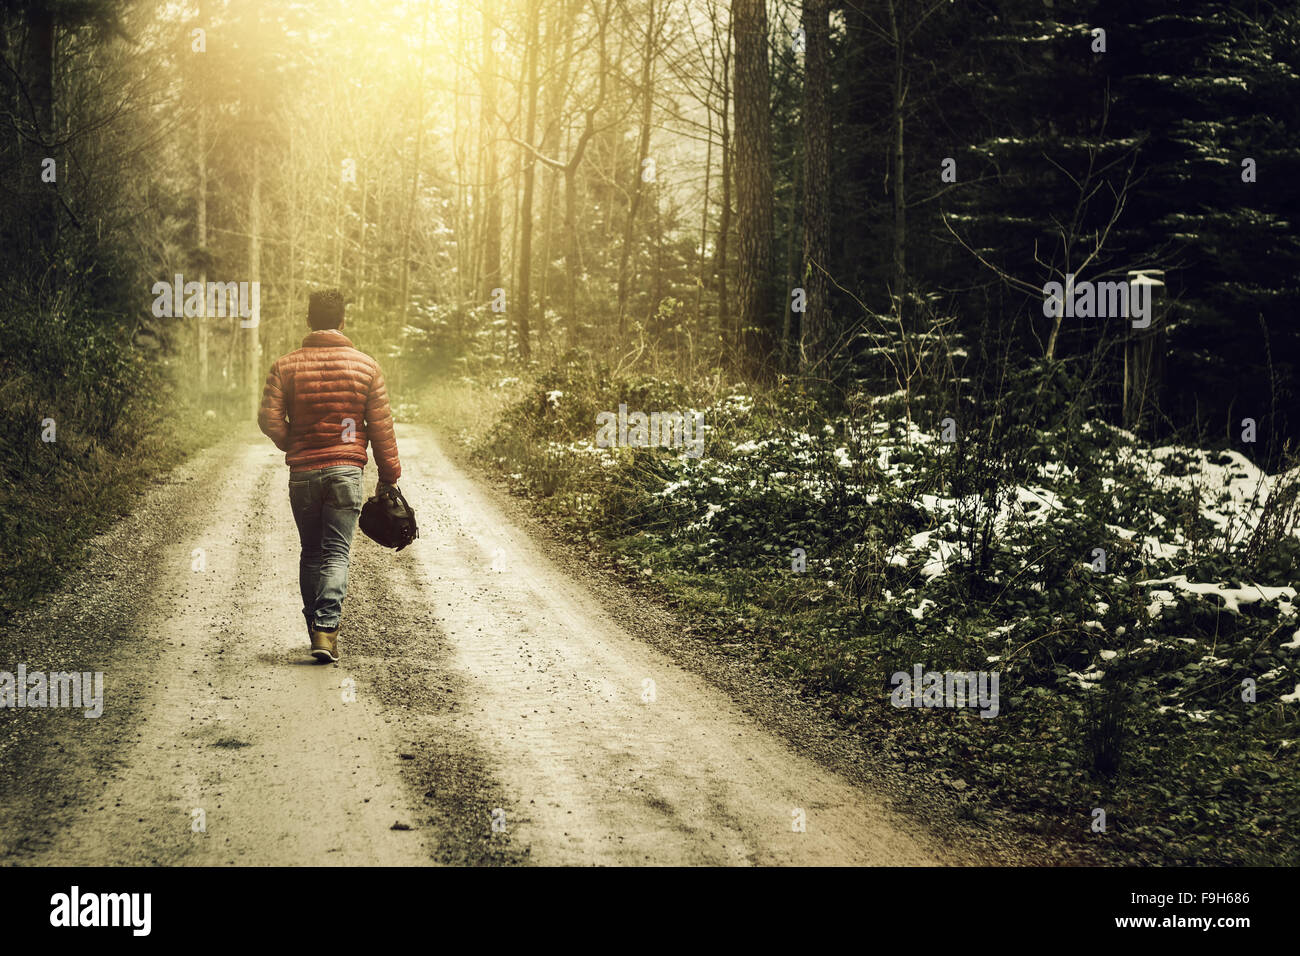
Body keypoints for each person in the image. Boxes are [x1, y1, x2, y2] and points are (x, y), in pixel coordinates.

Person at [257, 289, 401, 662]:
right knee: (336, 552)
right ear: (342, 322)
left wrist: (295, 443)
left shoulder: (285, 366)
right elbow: (381, 427)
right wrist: (389, 475)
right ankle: (326, 628)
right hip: (346, 472)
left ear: (308, 321)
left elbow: (268, 418)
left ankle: (315, 631)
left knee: (311, 552)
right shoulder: (366, 367)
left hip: (303, 474)